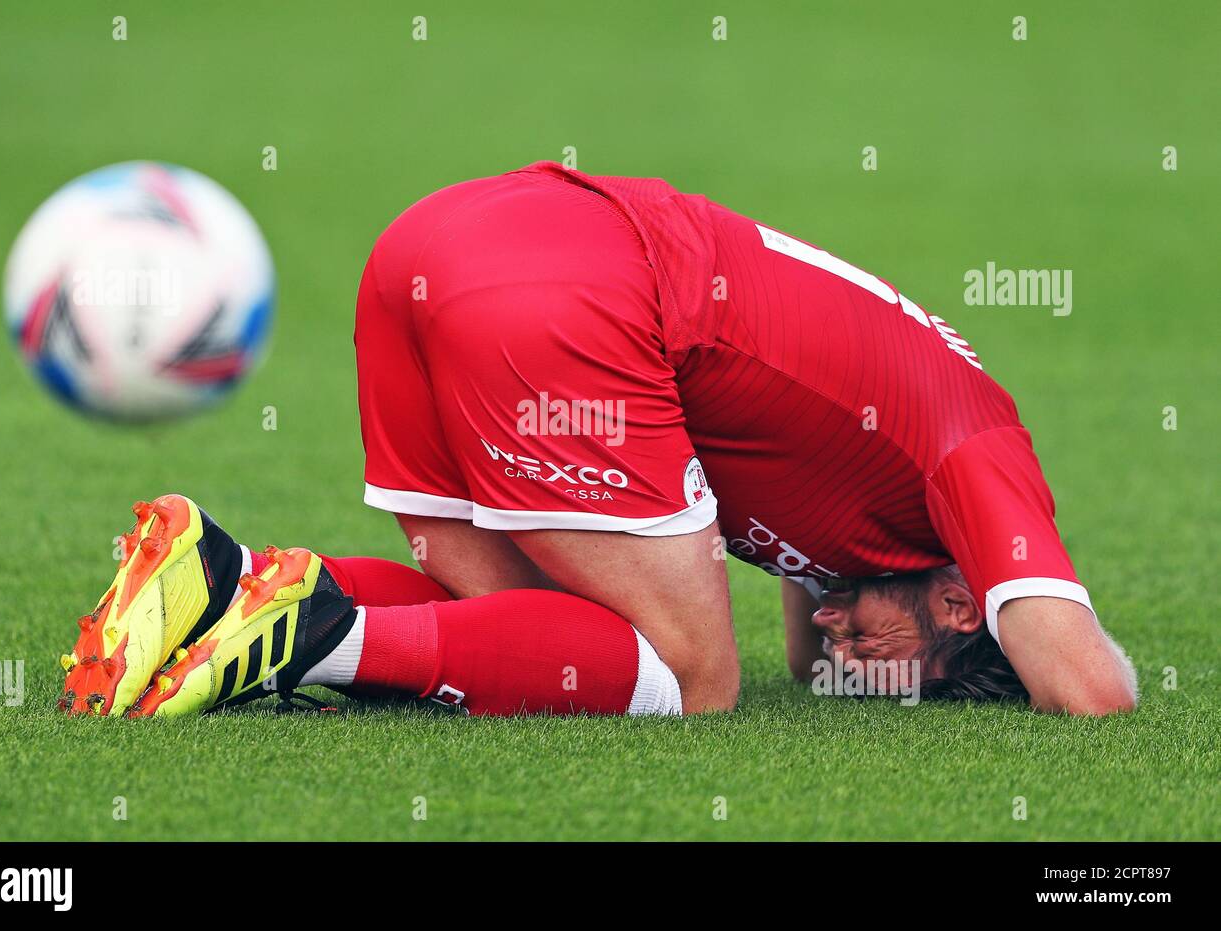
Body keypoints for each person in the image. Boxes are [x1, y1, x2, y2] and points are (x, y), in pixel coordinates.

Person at [58, 163, 1136, 719]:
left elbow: (812, 657)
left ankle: (217, 577)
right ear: (963, 602)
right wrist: (991, 629)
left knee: (519, 632)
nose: (848, 652)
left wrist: (867, 632)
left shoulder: (874, 494)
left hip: (430, 248)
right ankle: (302, 638)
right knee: (691, 679)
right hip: (572, 294)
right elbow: (1090, 690)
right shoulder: (980, 446)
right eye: (915, 657)